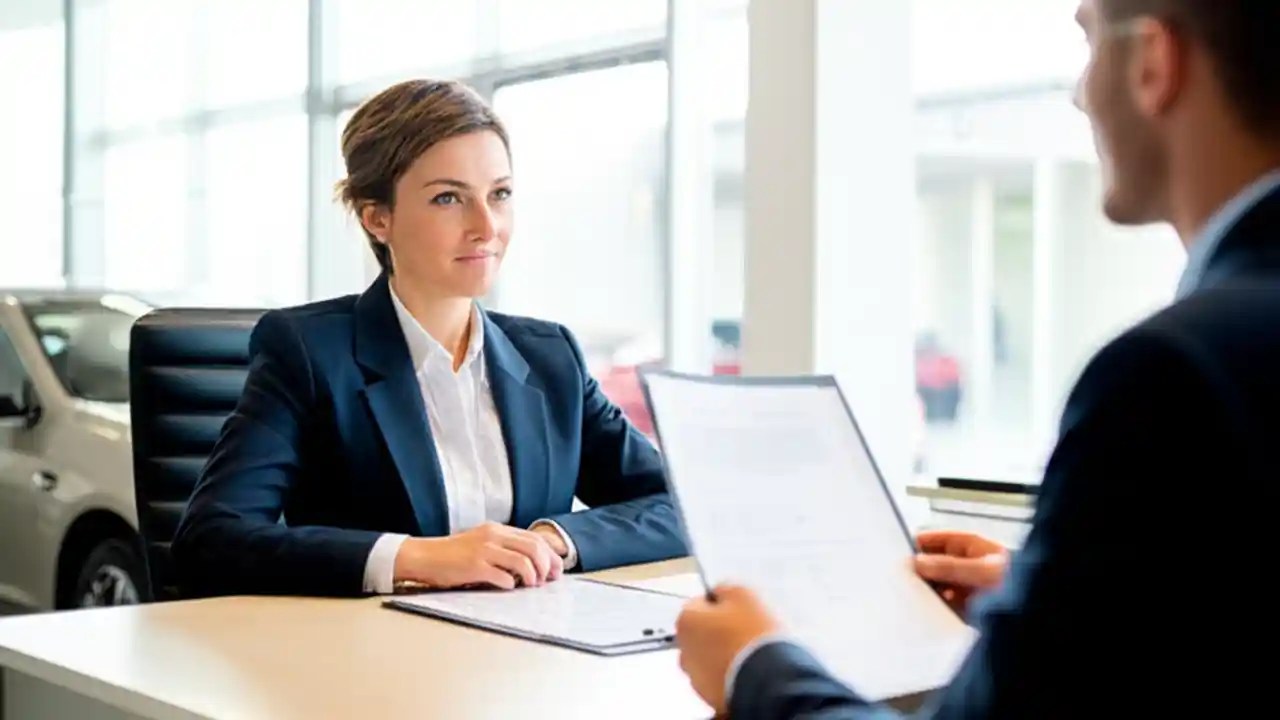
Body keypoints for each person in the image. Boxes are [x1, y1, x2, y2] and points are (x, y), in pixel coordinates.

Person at [675, 0, 1280, 716]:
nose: (1080, 92)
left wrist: (754, 667)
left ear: (1154, 62)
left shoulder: (1168, 374)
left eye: (1087, 43)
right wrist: (1046, 591)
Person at [171, 80, 687, 598]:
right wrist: (421, 557)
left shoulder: (550, 356)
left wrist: (555, 540)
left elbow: (681, 506)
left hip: (530, 657)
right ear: (378, 218)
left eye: (500, 194)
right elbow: (212, 541)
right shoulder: (308, 353)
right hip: (370, 661)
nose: (487, 226)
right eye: (448, 198)